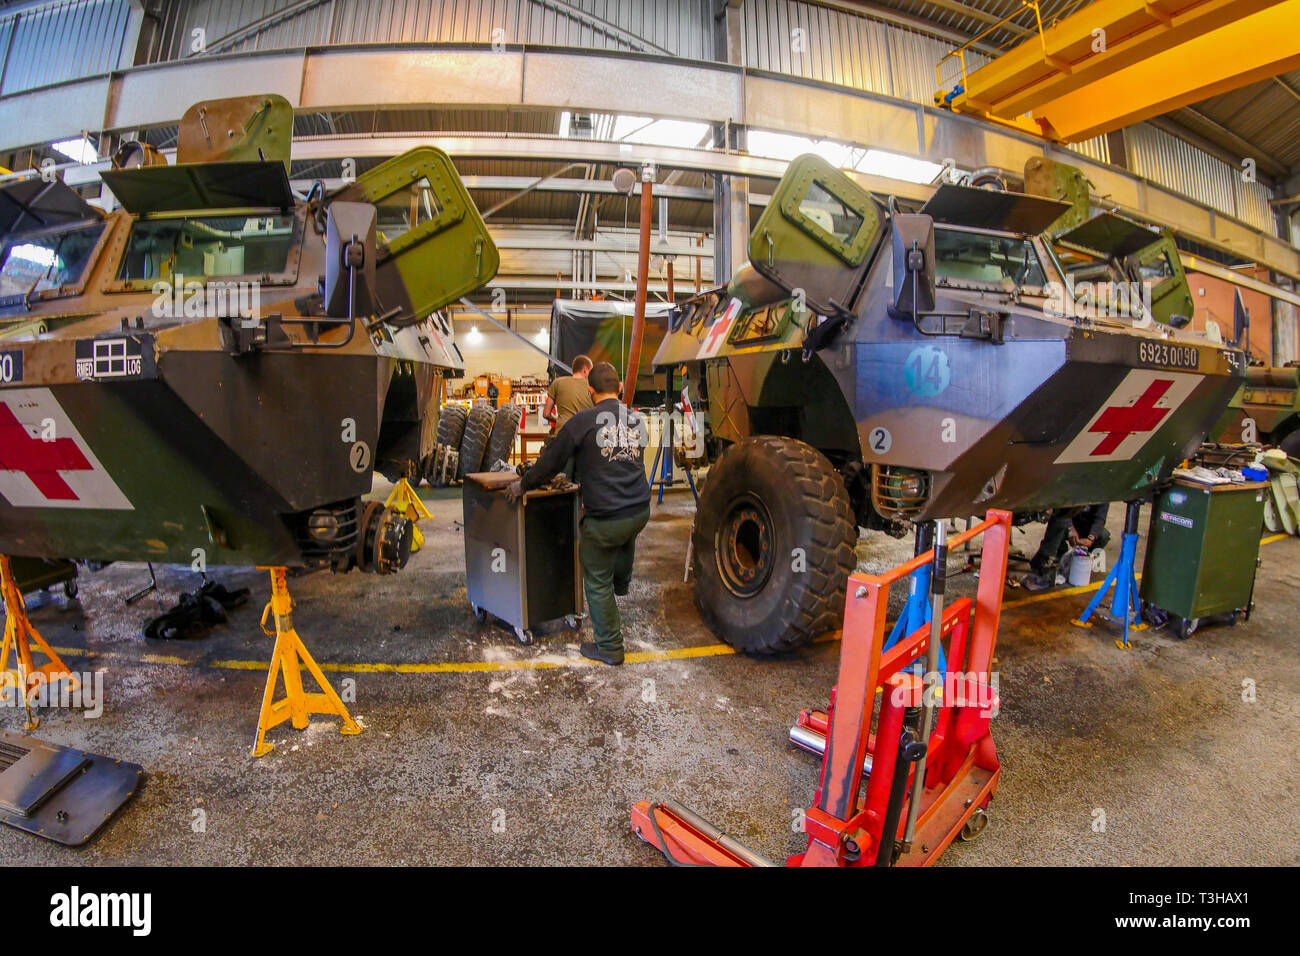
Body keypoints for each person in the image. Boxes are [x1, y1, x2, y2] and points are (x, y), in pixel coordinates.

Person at [508, 362, 650, 665]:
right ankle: (622, 582)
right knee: (624, 535)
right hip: (640, 509)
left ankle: (610, 647)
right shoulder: (637, 420)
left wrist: (523, 484)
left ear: (590, 391)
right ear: (620, 388)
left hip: (606, 518)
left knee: (596, 578)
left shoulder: (582, 422)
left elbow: (550, 464)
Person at [1022, 503, 1111, 591]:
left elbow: (1100, 519)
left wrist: (1091, 538)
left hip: (1086, 527)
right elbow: (1062, 511)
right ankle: (1056, 555)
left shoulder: (1101, 494)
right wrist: (1070, 529)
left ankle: (1086, 559)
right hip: (1069, 522)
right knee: (1058, 523)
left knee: (1103, 536)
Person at [541, 354, 593, 432]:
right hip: (585, 434)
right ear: (585, 369)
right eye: (590, 371)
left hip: (562, 432)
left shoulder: (557, 382)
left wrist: (559, 421)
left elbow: (546, 414)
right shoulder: (593, 386)